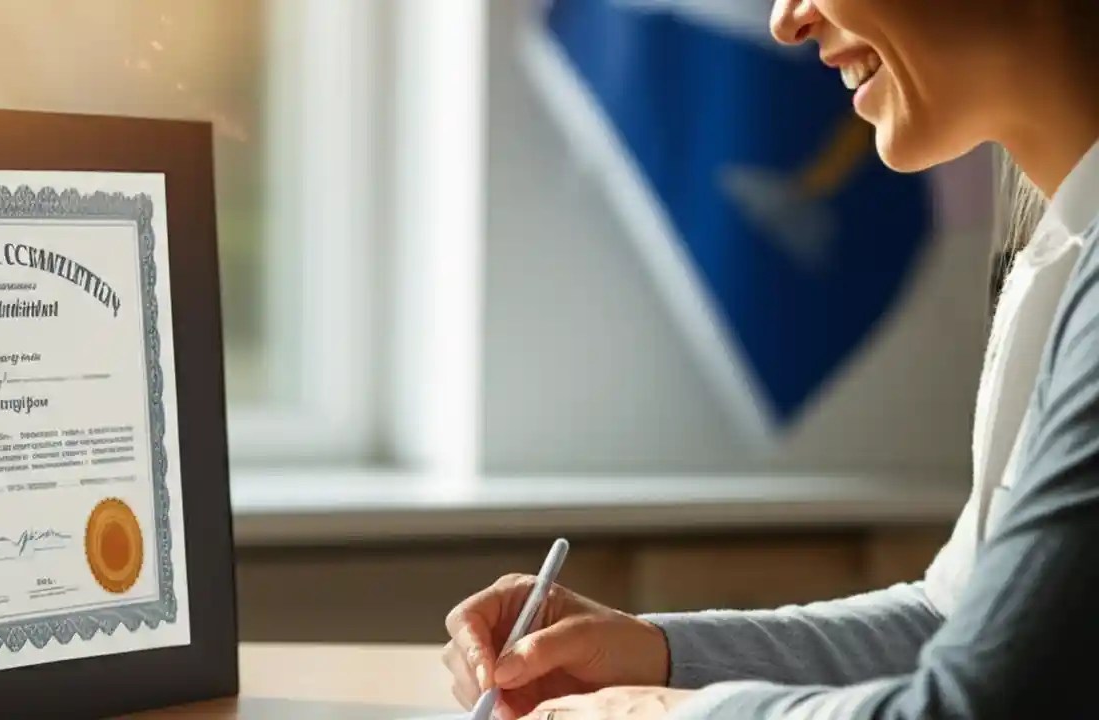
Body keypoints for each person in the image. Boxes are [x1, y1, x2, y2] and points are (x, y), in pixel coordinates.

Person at [442, 0, 1099, 718]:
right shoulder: (1064, 251)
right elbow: (961, 620)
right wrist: (653, 657)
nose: (786, 21)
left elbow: (990, 704)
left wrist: (663, 714)